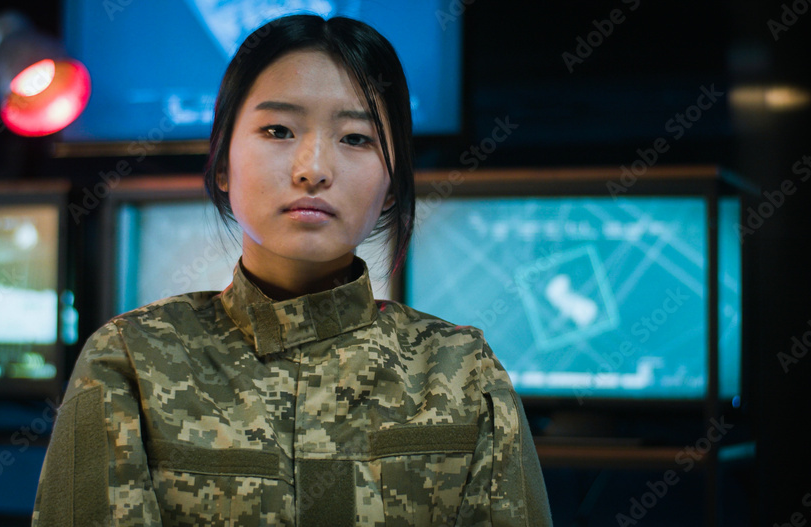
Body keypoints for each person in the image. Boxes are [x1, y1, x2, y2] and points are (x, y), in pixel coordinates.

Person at [31, 14, 551, 527]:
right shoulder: (129, 361)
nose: (313, 168)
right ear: (222, 166)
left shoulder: (461, 371)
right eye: (278, 130)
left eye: (356, 138)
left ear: (392, 184)